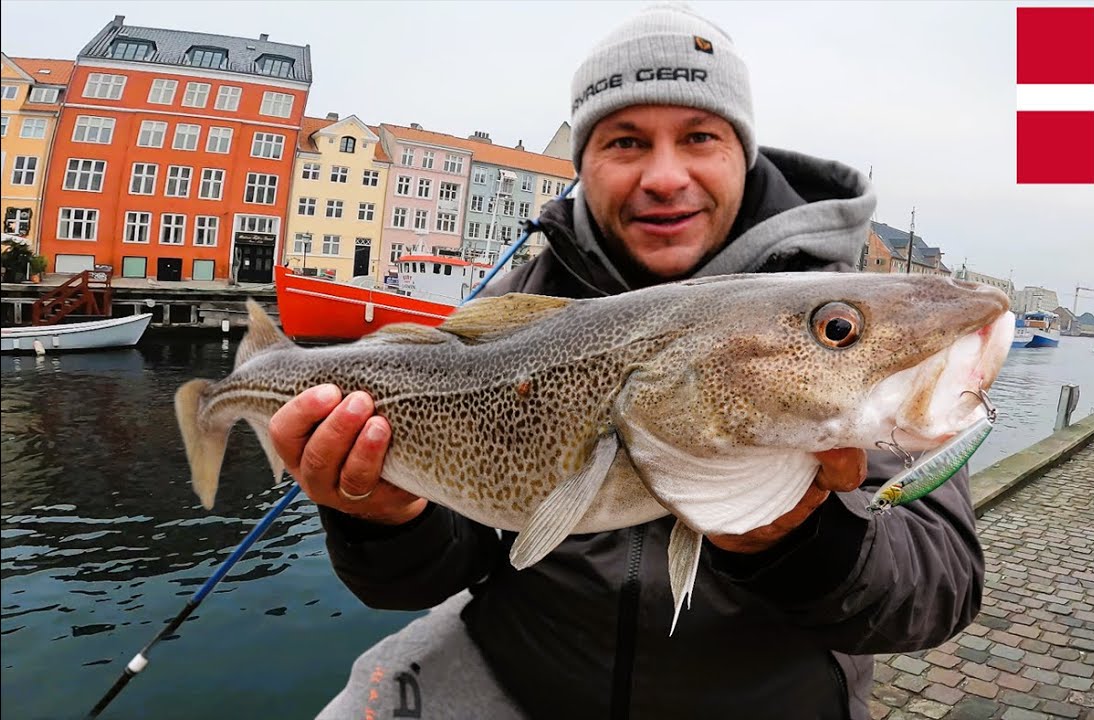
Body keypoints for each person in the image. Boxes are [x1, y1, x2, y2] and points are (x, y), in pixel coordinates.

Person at [271, 6, 983, 719]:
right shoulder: (515, 311)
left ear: (745, 152)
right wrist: (383, 520)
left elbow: (939, 590)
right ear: (582, 165)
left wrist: (801, 545)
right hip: (529, 682)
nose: (665, 176)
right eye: (625, 142)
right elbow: (440, 569)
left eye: (700, 136)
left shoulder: (850, 336)